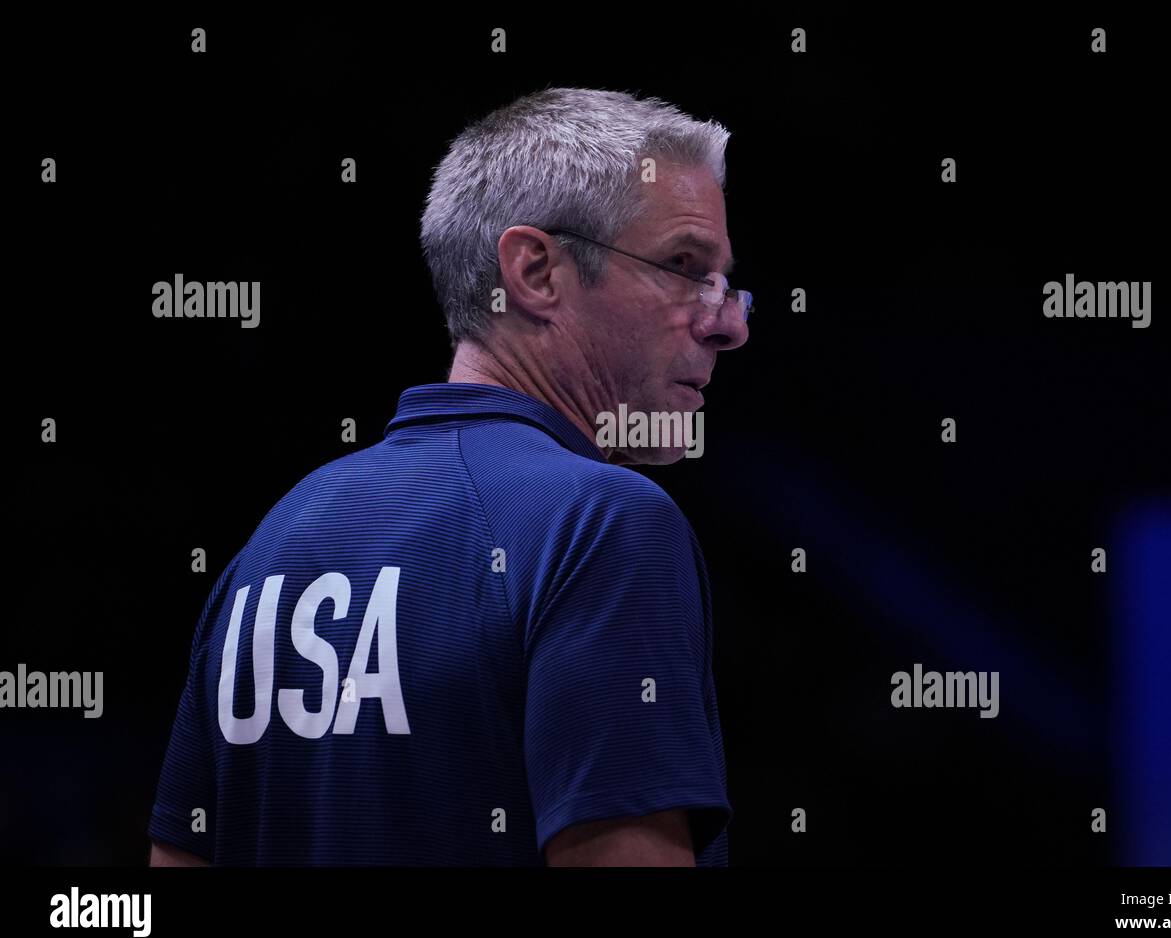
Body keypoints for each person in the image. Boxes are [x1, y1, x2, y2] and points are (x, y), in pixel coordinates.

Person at [148, 87, 751, 867]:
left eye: (725, 283)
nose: (728, 323)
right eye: (682, 267)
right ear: (535, 271)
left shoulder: (271, 543)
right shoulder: (606, 523)